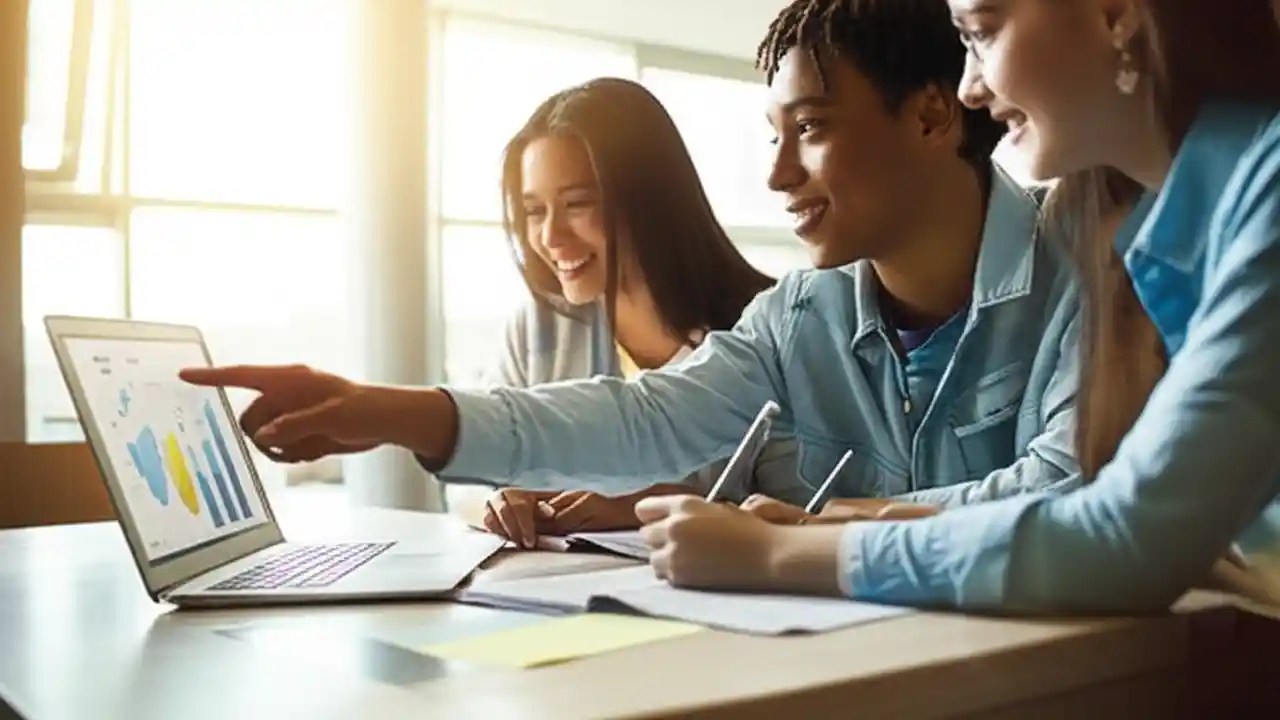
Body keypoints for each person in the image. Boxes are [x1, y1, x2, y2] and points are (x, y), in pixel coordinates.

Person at [179, 0, 1082, 558]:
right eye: (773, 137)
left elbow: (1068, 488)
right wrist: (382, 410)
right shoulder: (797, 314)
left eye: (808, 128)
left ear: (931, 116)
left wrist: (818, 528)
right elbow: (644, 416)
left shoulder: (1085, 265)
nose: (776, 177)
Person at [630, 0, 1280, 614]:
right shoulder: (1156, 227)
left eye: (983, 32)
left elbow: (1128, 536)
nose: (971, 88)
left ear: (1114, 14)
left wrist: (780, 553)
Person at [448, 78, 794, 546]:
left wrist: (644, 506)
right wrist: (500, 501)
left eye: (576, 204)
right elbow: (469, 484)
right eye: (533, 211)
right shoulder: (537, 329)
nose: (550, 236)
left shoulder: (770, 330)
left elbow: (806, 510)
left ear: (646, 198)